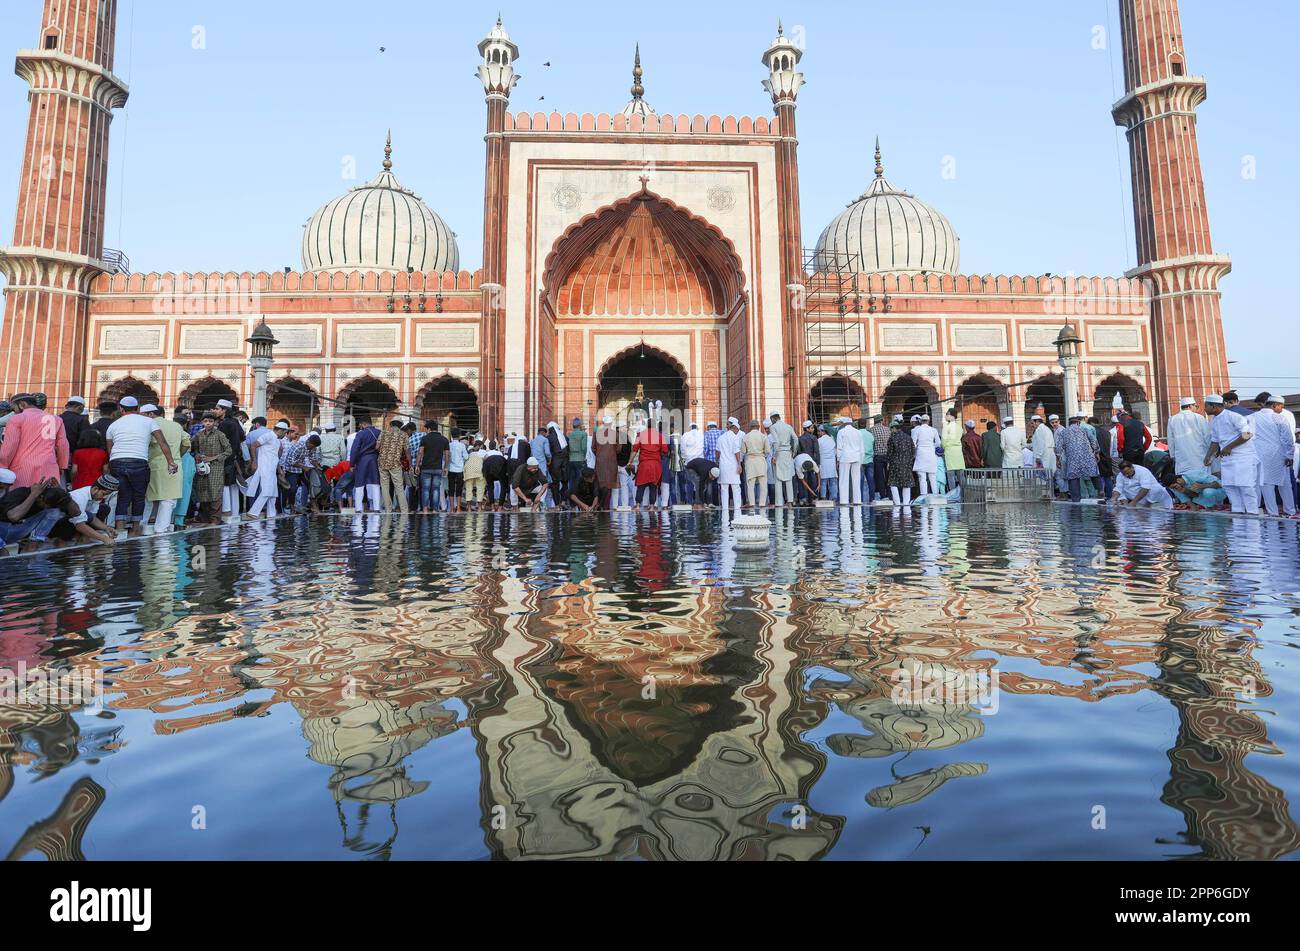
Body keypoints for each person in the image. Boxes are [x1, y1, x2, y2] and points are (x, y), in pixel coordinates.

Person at [105, 395, 177, 535]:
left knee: (123, 496)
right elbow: (162, 442)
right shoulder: (149, 421)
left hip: (117, 462)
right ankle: (135, 530)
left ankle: (120, 530)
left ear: (121, 409)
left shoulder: (113, 425)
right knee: (139, 496)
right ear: (137, 408)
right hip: (138, 462)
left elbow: (110, 449)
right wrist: (171, 462)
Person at [1204, 393, 1258, 514]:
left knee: (1245, 486)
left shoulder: (1234, 416)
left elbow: (1247, 434)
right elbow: (1215, 441)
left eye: (1206, 406)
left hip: (1242, 457)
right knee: (1229, 486)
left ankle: (1252, 513)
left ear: (1214, 406)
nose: (1204, 409)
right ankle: (1237, 512)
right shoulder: (1214, 421)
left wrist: (1229, 447)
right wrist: (1208, 456)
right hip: (1227, 459)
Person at [0, 393, 69, 488]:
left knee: (23, 500)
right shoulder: (56, 419)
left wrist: (2, 465)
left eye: (14, 408)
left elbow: (10, 447)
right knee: (47, 499)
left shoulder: (16, 419)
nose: (14, 411)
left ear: (22, 405)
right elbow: (63, 445)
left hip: (22, 470)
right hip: (49, 468)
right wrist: (62, 466)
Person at [141, 403, 190, 533]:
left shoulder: (147, 425)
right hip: (173, 465)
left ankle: (142, 526)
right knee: (168, 499)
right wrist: (177, 456)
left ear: (151, 414)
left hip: (152, 465)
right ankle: (161, 529)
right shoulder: (176, 426)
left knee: (149, 498)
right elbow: (186, 443)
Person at [0, 476, 77, 552]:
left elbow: (76, 513)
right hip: (3, 530)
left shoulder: (52, 500)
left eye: (48, 505)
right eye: (44, 504)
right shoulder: (21, 492)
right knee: (4, 552)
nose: (46, 507)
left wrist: (63, 493)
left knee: (54, 512)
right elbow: (13, 517)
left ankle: (33, 545)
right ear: (40, 497)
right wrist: (33, 495)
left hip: (20, 531)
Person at [1253, 394, 1297, 516]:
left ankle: (1273, 512)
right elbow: (1287, 439)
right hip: (1279, 455)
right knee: (1285, 483)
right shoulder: (1279, 418)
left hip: (1260, 456)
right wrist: (1290, 455)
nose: (1281, 410)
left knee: (1266, 484)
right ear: (1274, 405)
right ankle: (1290, 511)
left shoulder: (1252, 417)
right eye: (1280, 407)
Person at [50, 474, 119, 546]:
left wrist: (106, 528)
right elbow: (80, 525)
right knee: (81, 518)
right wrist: (104, 538)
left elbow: (93, 517)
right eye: (104, 494)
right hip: (56, 524)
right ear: (95, 489)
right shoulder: (80, 497)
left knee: (104, 508)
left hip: (77, 521)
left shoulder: (96, 495)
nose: (105, 497)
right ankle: (61, 540)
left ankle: (84, 538)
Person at [189, 413, 232, 524]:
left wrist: (213, 458)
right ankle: (204, 518)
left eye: (211, 421)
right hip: (202, 468)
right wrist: (198, 456)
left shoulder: (220, 435)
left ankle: (215, 520)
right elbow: (193, 448)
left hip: (216, 468)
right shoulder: (199, 435)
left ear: (215, 422)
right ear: (202, 422)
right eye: (206, 421)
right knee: (203, 492)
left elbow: (228, 451)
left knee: (215, 493)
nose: (208, 423)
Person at [1059, 413, 1102, 502]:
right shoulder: (1085, 430)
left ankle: (1076, 499)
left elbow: (1059, 447)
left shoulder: (1064, 432)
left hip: (1072, 459)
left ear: (1069, 424)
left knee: (1073, 478)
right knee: (1094, 473)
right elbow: (1094, 441)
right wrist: (1096, 452)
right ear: (1078, 423)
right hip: (1087, 457)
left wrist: (1058, 458)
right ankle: (1100, 491)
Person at [1165, 397, 1211, 477]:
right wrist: (1210, 453)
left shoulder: (1172, 419)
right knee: (1202, 479)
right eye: (1195, 406)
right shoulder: (1199, 418)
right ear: (1190, 406)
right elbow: (1207, 436)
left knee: (1185, 480)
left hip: (1182, 457)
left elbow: (1170, 439)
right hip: (1199, 455)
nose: (1196, 408)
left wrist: (1172, 455)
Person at [245, 425, 281, 519]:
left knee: (273, 493)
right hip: (265, 468)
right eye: (285, 432)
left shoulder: (277, 440)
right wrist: (254, 461)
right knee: (267, 491)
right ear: (281, 430)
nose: (285, 434)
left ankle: (271, 514)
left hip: (272, 469)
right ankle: (253, 512)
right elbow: (253, 445)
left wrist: (279, 469)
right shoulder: (268, 435)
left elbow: (275, 456)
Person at [348, 416, 383, 512]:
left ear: (364, 424)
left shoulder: (360, 434)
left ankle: (358, 508)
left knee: (360, 484)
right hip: (375, 460)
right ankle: (376, 508)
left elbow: (354, 450)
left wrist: (351, 464)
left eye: (360, 425)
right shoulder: (379, 432)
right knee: (375, 483)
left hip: (362, 461)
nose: (360, 427)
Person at [376, 419, 410, 513]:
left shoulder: (383, 432)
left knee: (384, 486)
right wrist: (410, 464)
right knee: (399, 487)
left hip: (382, 462)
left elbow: (377, 447)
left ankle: (388, 509)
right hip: (395, 463)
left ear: (391, 424)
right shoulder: (404, 435)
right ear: (400, 425)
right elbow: (407, 451)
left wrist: (383, 453)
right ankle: (404, 510)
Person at [633, 422, 669, 509]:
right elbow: (665, 450)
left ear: (646, 426)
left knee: (640, 485)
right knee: (653, 486)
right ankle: (652, 506)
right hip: (655, 464)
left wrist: (630, 462)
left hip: (644, 464)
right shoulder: (660, 436)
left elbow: (634, 450)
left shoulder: (640, 435)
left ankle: (638, 505)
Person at [767, 412, 797, 507]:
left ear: (773, 418)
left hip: (779, 453)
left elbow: (776, 442)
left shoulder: (773, 427)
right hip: (788, 453)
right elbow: (796, 439)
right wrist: (793, 452)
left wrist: (775, 456)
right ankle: (790, 501)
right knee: (788, 477)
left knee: (778, 479)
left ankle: (779, 502)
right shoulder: (788, 426)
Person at [716, 418, 744, 517]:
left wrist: (717, 462)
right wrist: (739, 464)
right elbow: (736, 451)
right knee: (736, 487)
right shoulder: (734, 437)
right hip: (733, 466)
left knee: (724, 488)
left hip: (723, 466)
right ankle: (737, 509)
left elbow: (717, 452)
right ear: (735, 428)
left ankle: (725, 508)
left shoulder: (721, 438)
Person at [886, 419, 917, 507]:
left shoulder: (892, 438)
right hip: (907, 463)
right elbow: (913, 450)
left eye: (891, 429)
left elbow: (890, 452)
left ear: (894, 428)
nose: (891, 431)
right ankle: (906, 503)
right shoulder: (908, 437)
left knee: (893, 483)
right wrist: (910, 461)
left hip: (895, 463)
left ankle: (897, 503)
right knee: (906, 483)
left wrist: (889, 462)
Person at [911, 413, 940, 496]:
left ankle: (924, 495)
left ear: (920, 421)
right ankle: (935, 494)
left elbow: (913, 443)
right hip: (931, 454)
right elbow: (938, 443)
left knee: (922, 477)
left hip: (921, 453)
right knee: (933, 476)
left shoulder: (917, 430)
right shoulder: (934, 430)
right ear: (929, 421)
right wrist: (931, 447)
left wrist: (917, 449)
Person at [742, 420, 769, 510]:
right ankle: (762, 503)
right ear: (758, 427)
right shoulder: (763, 436)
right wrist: (762, 455)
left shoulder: (746, 437)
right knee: (763, 484)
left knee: (750, 484)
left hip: (750, 461)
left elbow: (743, 451)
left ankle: (752, 503)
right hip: (761, 460)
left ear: (750, 427)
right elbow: (768, 451)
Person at [835, 415, 863, 504]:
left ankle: (844, 500)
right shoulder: (858, 432)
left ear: (843, 424)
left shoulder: (841, 432)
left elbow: (839, 447)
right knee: (856, 479)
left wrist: (838, 459)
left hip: (845, 457)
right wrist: (861, 460)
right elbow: (862, 447)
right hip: (857, 457)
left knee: (843, 479)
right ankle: (857, 500)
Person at [59, 396, 88, 475]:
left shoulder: (57, 418)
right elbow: (85, 439)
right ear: (79, 407)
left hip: (57, 453)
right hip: (73, 455)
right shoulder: (82, 420)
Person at [567, 417, 588, 504]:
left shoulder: (570, 434)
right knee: (581, 481)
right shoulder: (583, 434)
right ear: (579, 425)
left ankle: (572, 501)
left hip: (571, 459)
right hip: (580, 459)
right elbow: (584, 448)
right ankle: (580, 501)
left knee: (572, 481)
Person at [942, 409, 965, 488]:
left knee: (950, 475)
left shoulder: (946, 427)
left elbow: (943, 441)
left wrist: (943, 447)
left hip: (949, 451)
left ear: (952, 416)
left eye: (947, 414)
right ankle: (964, 493)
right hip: (958, 452)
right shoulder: (960, 427)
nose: (946, 416)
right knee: (960, 475)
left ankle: (953, 493)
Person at [463, 439, 487, 510]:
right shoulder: (483, 452)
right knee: (480, 488)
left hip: (468, 471)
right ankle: (479, 507)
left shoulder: (469, 453)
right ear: (481, 446)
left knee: (468, 489)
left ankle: (469, 508)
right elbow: (487, 459)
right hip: (479, 471)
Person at [816, 424, 838, 500]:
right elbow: (835, 452)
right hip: (832, 463)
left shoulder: (819, 441)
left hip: (823, 463)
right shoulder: (832, 439)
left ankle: (823, 498)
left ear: (823, 431)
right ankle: (834, 498)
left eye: (819, 431)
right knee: (833, 482)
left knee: (823, 482)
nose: (818, 433)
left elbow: (817, 452)